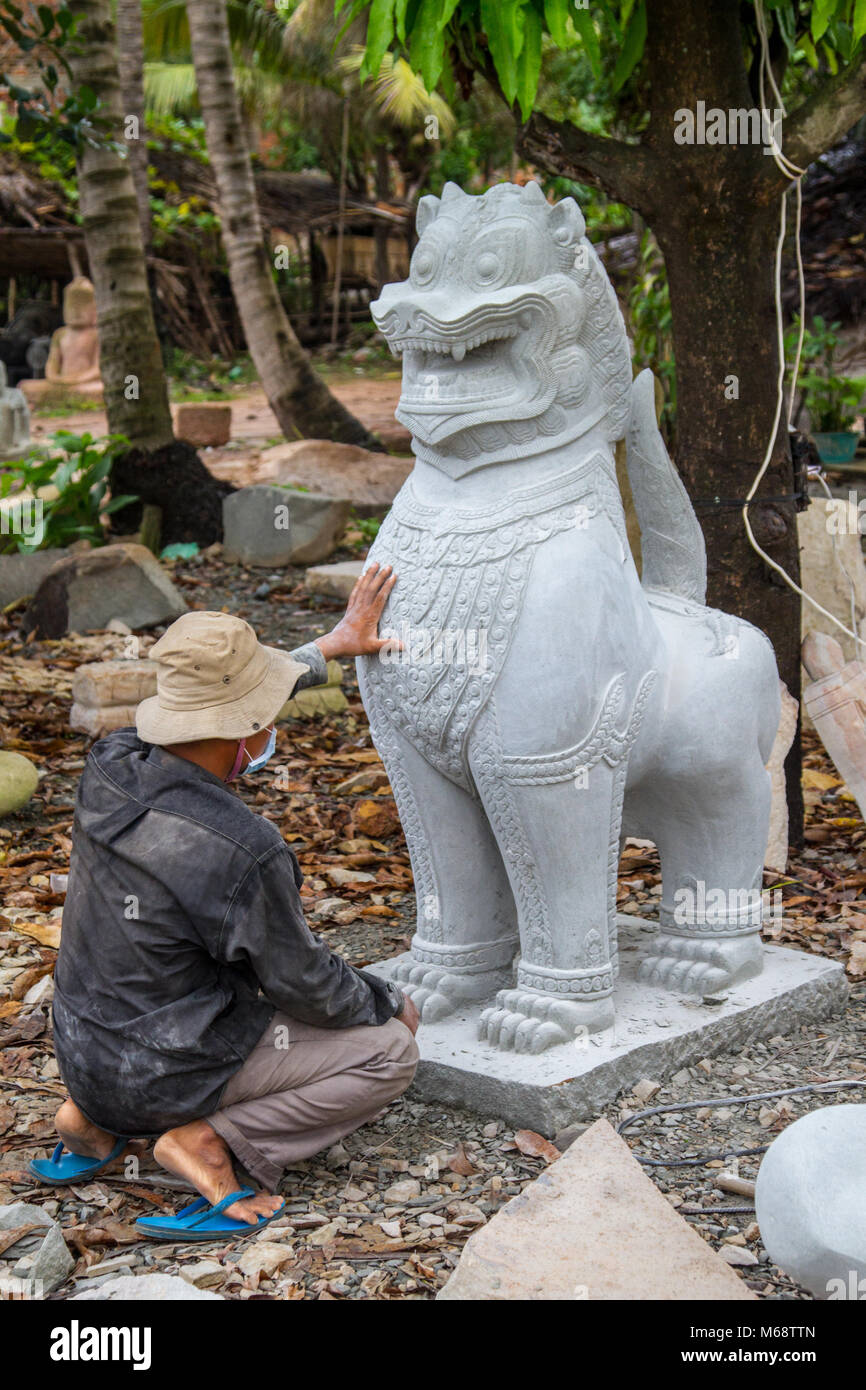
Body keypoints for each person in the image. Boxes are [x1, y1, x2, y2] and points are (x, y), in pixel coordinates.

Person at [32, 563, 420, 1239]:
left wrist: (328, 647)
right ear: (250, 730)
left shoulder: (110, 766)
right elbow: (308, 987)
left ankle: (90, 1122)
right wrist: (385, 999)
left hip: (85, 1053)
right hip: (163, 1075)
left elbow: (218, 705)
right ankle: (209, 1141)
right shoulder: (244, 849)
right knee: (391, 1049)